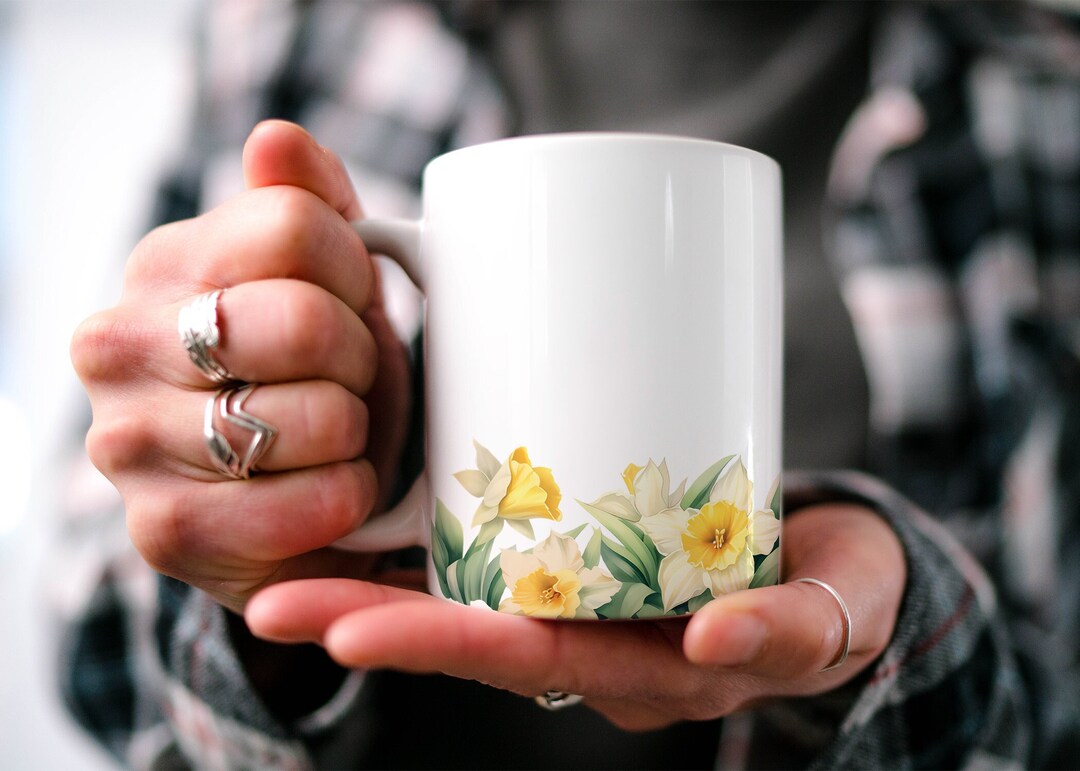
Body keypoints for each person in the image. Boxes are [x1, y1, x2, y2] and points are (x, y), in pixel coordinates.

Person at [62, 2, 1080, 768]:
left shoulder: (1046, 73)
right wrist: (256, 580)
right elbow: (91, 632)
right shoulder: (299, 26)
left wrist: (914, 636)